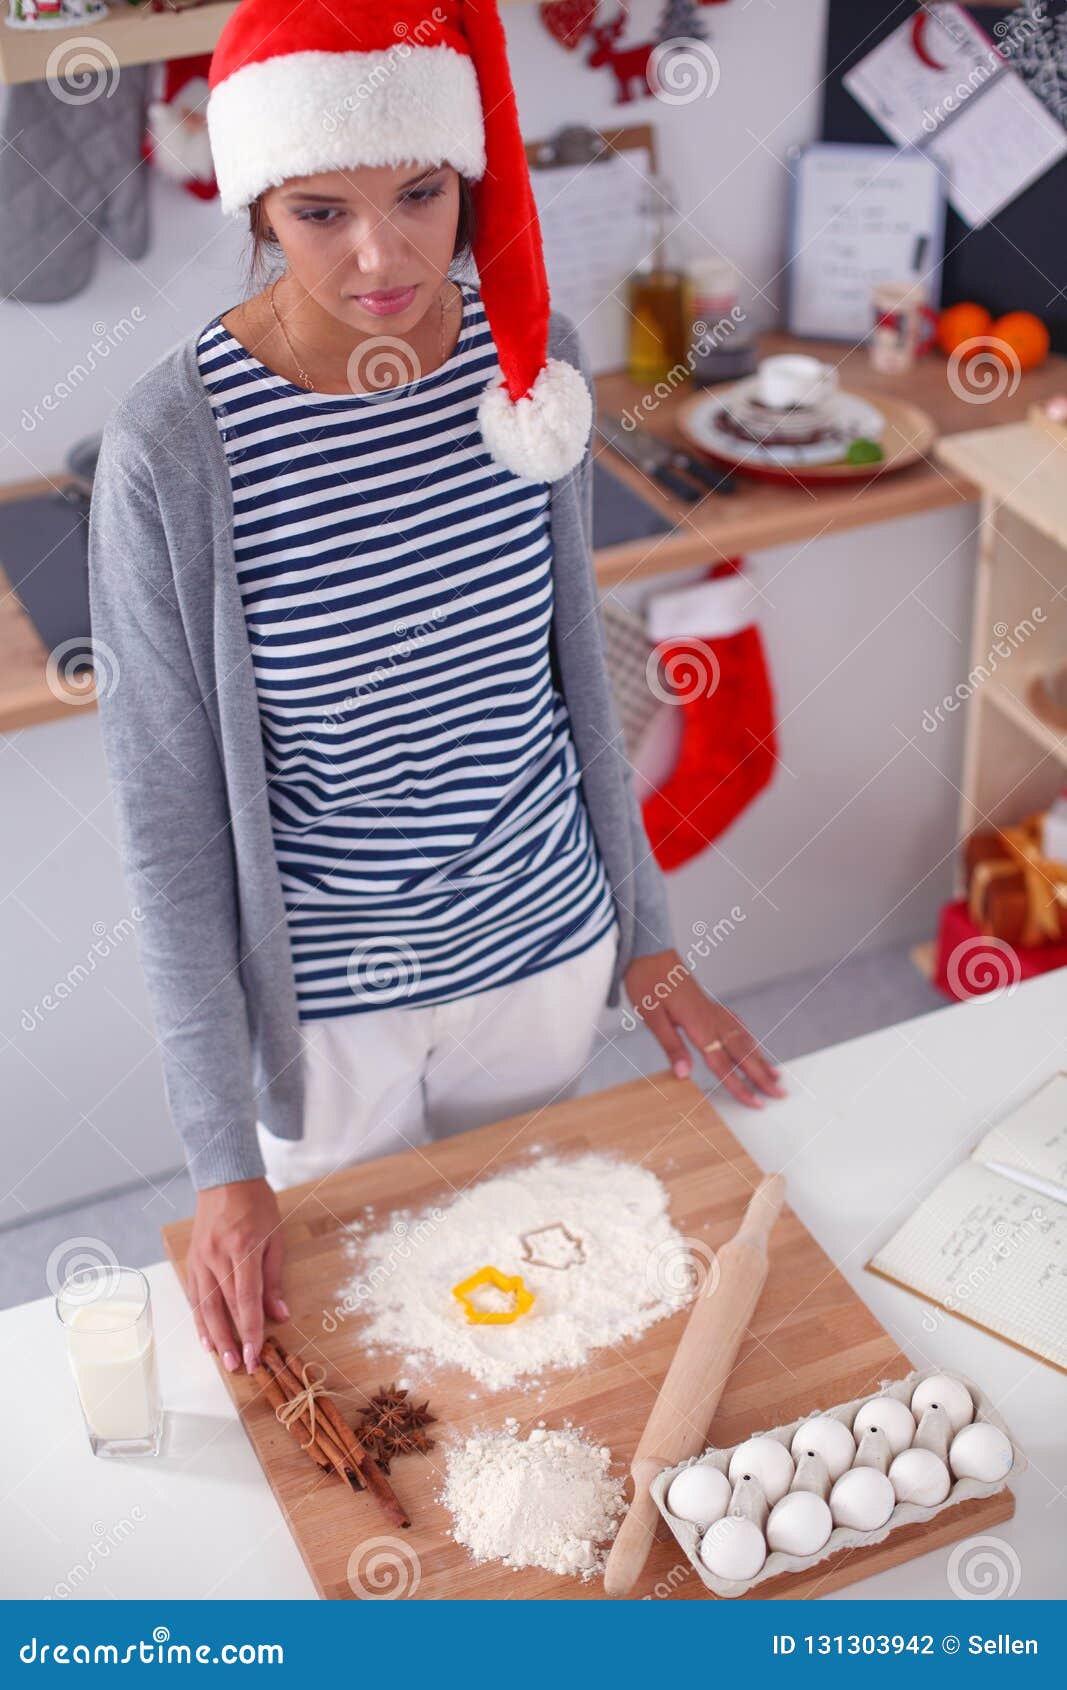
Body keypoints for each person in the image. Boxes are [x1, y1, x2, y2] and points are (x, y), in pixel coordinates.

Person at [89, 0, 783, 1381]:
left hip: (541, 953)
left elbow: (572, 679)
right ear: (258, 205)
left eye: (420, 194)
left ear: (467, 174)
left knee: (542, 1331)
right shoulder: (173, 446)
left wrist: (647, 935)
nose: (383, 255)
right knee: (374, 1357)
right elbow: (167, 826)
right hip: (330, 1011)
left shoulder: (530, 363)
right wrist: (222, 1157)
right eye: (320, 212)